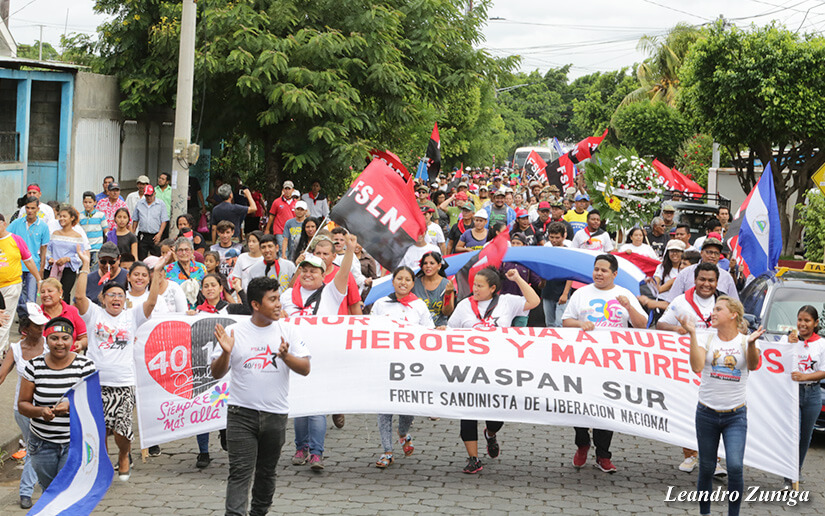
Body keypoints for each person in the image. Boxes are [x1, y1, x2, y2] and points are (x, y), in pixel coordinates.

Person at [210, 277, 310, 516]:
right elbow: (216, 372)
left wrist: (286, 357)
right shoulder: (234, 331)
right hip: (240, 414)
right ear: (256, 304)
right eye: (272, 299)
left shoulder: (288, 330)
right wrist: (226, 353)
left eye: (279, 298)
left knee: (266, 472)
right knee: (240, 472)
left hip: (275, 415)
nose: (278, 305)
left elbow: (305, 368)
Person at [74, 246, 166, 482]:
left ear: (125, 301)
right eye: (111, 295)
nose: (116, 298)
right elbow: (79, 298)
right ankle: (103, 461)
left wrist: (156, 273)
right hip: (96, 382)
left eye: (120, 296)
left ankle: (124, 454)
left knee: (122, 429)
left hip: (124, 381)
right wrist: (86, 266)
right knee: (100, 428)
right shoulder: (94, 314)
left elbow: (152, 300)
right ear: (103, 298)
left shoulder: (132, 316)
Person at [447, 267, 540, 474]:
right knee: (468, 412)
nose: (475, 289)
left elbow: (534, 302)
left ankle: (491, 433)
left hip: (499, 369)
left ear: (492, 288)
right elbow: (451, 332)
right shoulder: (464, 306)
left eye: (480, 286)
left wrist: (517, 279)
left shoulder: (507, 301)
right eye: (474, 285)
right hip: (469, 370)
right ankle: (473, 458)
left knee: (496, 415)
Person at [678, 297, 763, 516]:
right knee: (706, 467)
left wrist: (752, 344)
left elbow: (753, 365)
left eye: (718, 309)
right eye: (713, 309)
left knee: (734, 466)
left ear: (733, 314)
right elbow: (697, 366)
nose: (713, 312)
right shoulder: (706, 339)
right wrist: (692, 334)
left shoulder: (746, 341)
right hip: (706, 414)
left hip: (735, 416)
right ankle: (704, 512)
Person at [563, 254, 646, 473]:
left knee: (606, 408)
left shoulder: (625, 294)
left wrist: (629, 307)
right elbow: (565, 321)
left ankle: (603, 454)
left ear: (614, 274)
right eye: (596, 269)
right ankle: (582, 444)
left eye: (604, 270)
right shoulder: (581, 294)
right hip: (583, 360)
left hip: (613, 363)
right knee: (578, 406)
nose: (599, 273)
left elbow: (641, 325)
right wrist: (580, 323)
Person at [281, 237, 354, 471]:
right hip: (295, 360)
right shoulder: (287, 297)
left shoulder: (331, 293)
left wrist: (350, 250)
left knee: (317, 408)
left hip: (322, 359)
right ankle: (300, 448)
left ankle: (316, 453)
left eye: (314, 271)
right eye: (305, 270)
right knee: (300, 407)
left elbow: (344, 273)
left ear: (323, 275)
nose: (308, 274)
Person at [655, 263, 726, 475]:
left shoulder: (724, 303)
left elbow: (737, 328)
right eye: (702, 279)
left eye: (711, 280)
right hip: (686, 367)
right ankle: (690, 455)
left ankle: (715, 459)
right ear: (695, 280)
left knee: (716, 412)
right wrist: (676, 328)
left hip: (717, 368)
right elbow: (660, 325)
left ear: (716, 282)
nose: (706, 284)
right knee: (689, 410)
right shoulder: (681, 301)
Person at [17, 316, 96, 491]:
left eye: (65, 338)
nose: (60, 343)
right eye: (54, 338)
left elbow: (95, 404)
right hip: (41, 443)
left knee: (65, 489)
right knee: (49, 490)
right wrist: (40, 411)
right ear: (47, 340)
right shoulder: (34, 367)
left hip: (74, 442)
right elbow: (23, 404)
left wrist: (71, 406)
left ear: (72, 339)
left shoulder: (85, 366)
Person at [370, 266, 433, 468]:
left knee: (407, 407)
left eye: (407, 279)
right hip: (385, 364)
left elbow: (429, 333)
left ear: (413, 284)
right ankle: (387, 451)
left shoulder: (419, 306)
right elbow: (370, 331)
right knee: (384, 408)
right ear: (393, 281)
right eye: (399, 278)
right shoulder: (381, 304)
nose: (403, 283)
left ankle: (403, 433)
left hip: (411, 366)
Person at [0, 305, 48, 509]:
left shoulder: (50, 346)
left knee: (42, 448)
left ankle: (42, 487)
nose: (41, 329)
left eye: (42, 325)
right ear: (25, 329)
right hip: (23, 409)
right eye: (37, 326)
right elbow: (2, 375)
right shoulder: (16, 349)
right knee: (35, 447)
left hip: (48, 407)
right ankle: (27, 492)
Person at [782, 306, 825, 489]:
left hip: (813, 394)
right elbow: (775, 360)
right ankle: (787, 475)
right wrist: (788, 345)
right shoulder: (787, 339)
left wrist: (805, 377)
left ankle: (796, 471)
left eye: (807, 321)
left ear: (815, 323)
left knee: (805, 436)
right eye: (800, 319)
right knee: (793, 434)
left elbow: (823, 371)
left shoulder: (821, 344)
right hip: (792, 393)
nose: (802, 324)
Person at [8, 196, 49, 321]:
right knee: (18, 295)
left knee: (31, 297)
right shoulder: (16, 223)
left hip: (34, 265)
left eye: (32, 208)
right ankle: (23, 320)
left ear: (37, 209)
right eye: (27, 208)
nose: (30, 210)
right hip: (17, 265)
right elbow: (6, 237)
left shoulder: (43, 226)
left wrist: (41, 269)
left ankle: (30, 322)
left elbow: (43, 249)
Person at [670, 237, 739, 301]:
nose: (713, 256)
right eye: (709, 252)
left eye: (716, 253)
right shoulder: (686, 273)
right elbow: (673, 299)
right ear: (701, 253)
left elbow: (734, 303)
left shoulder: (726, 277)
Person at [45, 206, 85, 303]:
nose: (61, 219)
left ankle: (64, 316)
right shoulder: (55, 233)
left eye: (64, 216)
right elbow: (48, 250)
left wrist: (68, 259)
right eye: (60, 216)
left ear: (72, 218)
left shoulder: (78, 236)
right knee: (50, 293)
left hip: (68, 270)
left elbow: (80, 255)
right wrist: (50, 259)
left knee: (64, 294)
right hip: (53, 269)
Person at [39, 278, 88, 351]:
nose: (46, 295)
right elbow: (25, 339)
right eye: (42, 292)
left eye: (50, 291)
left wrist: (80, 344)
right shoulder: (36, 313)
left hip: (69, 357)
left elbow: (84, 337)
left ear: (60, 293)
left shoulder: (73, 311)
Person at [541, 222, 572, 328]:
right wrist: (542, 282)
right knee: (549, 324)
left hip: (562, 291)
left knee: (560, 324)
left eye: (557, 237)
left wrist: (565, 293)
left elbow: (570, 274)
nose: (554, 240)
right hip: (547, 291)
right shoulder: (546, 251)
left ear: (564, 236)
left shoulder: (568, 252)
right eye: (552, 237)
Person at [413, 252, 454, 326]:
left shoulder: (447, 284)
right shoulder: (414, 284)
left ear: (439, 266)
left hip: (440, 328)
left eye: (432, 263)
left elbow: (447, 312)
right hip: (419, 327)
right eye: (425, 263)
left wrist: (448, 295)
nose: (428, 266)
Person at [165, 237, 208, 309]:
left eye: (186, 250)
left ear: (192, 251)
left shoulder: (201, 268)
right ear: (175, 252)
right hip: (176, 309)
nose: (184, 253)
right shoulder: (167, 269)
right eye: (180, 250)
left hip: (197, 308)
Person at [132, 184, 169, 259]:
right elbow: (135, 219)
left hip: (155, 235)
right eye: (146, 196)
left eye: (150, 195)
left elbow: (164, 220)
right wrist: (133, 232)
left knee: (156, 257)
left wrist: (160, 234)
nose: (148, 197)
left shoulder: (161, 204)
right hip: (143, 235)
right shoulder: (140, 203)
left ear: (154, 194)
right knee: (141, 256)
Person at [78, 191, 108, 268]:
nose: (87, 204)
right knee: (84, 269)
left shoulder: (100, 215)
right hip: (84, 248)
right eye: (85, 202)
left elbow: (106, 231)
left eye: (90, 202)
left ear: (95, 203)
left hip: (97, 248)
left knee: (95, 268)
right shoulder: (80, 216)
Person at [266, 181, 297, 247]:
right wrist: (267, 229)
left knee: (292, 250)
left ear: (293, 190)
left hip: (293, 231)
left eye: (289, 189)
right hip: (280, 231)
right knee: (282, 249)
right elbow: (271, 216)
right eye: (286, 189)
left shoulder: (296, 203)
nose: (287, 191)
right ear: (283, 190)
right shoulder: (277, 202)